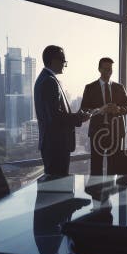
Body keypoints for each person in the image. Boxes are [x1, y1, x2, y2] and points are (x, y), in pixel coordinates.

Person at [34, 45, 90, 177]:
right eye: (63, 60)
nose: (64, 64)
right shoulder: (49, 82)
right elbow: (55, 116)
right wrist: (79, 118)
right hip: (56, 146)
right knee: (58, 187)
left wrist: (77, 116)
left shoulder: (45, 79)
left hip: (53, 145)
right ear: (54, 60)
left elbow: (54, 114)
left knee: (56, 186)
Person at [80, 57, 127, 175]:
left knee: (115, 167)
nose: (108, 72)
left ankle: (113, 193)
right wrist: (100, 110)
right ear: (99, 69)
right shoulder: (90, 88)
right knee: (96, 167)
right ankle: (96, 192)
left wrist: (118, 109)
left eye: (110, 69)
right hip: (97, 132)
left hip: (116, 133)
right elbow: (84, 109)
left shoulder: (119, 87)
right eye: (106, 69)